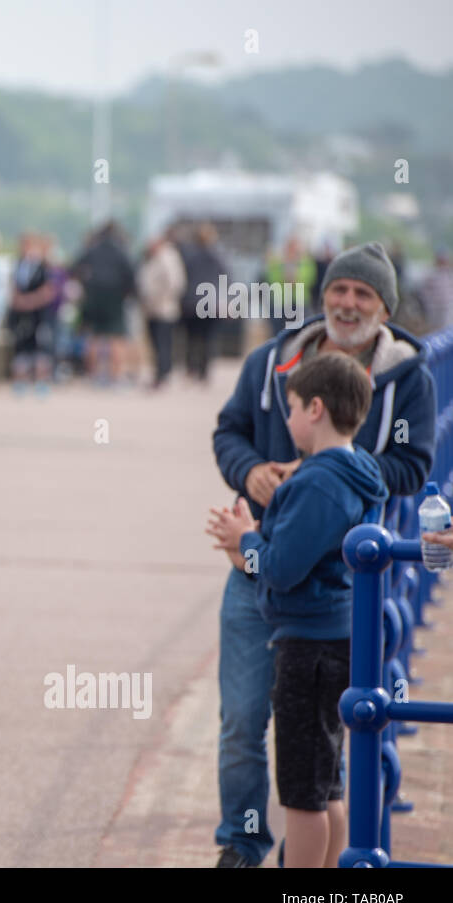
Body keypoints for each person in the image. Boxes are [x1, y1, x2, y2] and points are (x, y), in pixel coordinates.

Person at [210, 240, 435, 867]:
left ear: (385, 308)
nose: (348, 301)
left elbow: (414, 465)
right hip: (286, 575)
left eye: (364, 293)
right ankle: (242, 841)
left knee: (310, 776)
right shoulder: (271, 361)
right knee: (244, 721)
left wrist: (315, 481)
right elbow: (228, 431)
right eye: (340, 289)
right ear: (324, 293)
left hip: (297, 579)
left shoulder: (408, 375)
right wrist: (253, 471)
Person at [207, 352, 387, 867]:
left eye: (289, 408)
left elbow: (283, 567)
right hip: (340, 637)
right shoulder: (359, 471)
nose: (284, 421)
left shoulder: (318, 483)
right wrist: (252, 539)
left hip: (309, 646)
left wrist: (248, 541)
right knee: (327, 784)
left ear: (315, 408)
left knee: (302, 796)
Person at [70, 221, 135, 385]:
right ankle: (115, 376)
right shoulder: (121, 251)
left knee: (94, 336)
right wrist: (126, 294)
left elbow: (74, 268)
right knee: (117, 336)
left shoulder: (93, 249)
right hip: (115, 296)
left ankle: (94, 375)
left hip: (94, 296)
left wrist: (87, 285)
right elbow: (132, 275)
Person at [6, 232, 58, 393]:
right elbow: (12, 288)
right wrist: (19, 301)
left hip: (40, 315)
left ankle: (42, 382)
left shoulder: (44, 266)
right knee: (21, 347)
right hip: (21, 315)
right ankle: (20, 381)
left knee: (42, 347)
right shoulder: (18, 265)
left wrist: (30, 301)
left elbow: (49, 290)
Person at [137, 232, 187, 390]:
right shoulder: (151, 257)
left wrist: (160, 297)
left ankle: (163, 374)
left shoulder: (168, 257)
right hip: (152, 308)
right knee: (155, 343)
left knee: (163, 343)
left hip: (163, 307)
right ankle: (159, 373)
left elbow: (175, 282)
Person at [178, 222, 226, 382]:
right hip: (210, 302)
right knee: (208, 338)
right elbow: (225, 278)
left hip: (191, 302)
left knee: (192, 337)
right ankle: (203, 371)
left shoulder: (188, 255)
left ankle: (191, 368)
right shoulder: (218, 255)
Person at [262, 237, 317, 338]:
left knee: (301, 331)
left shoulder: (305, 262)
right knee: (278, 332)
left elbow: (310, 279)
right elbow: (272, 279)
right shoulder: (277, 262)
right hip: (280, 302)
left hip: (299, 301)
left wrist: (295, 279)